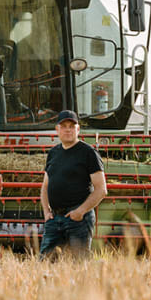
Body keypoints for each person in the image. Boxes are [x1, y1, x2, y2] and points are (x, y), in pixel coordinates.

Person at [40, 110, 107, 257]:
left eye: (72, 126)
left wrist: (80, 211)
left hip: (78, 219)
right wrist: (46, 212)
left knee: (79, 263)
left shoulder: (88, 153)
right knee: (46, 262)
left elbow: (101, 189)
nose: (68, 130)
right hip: (54, 218)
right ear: (57, 129)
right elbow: (45, 186)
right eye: (64, 126)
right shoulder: (53, 153)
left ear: (78, 129)